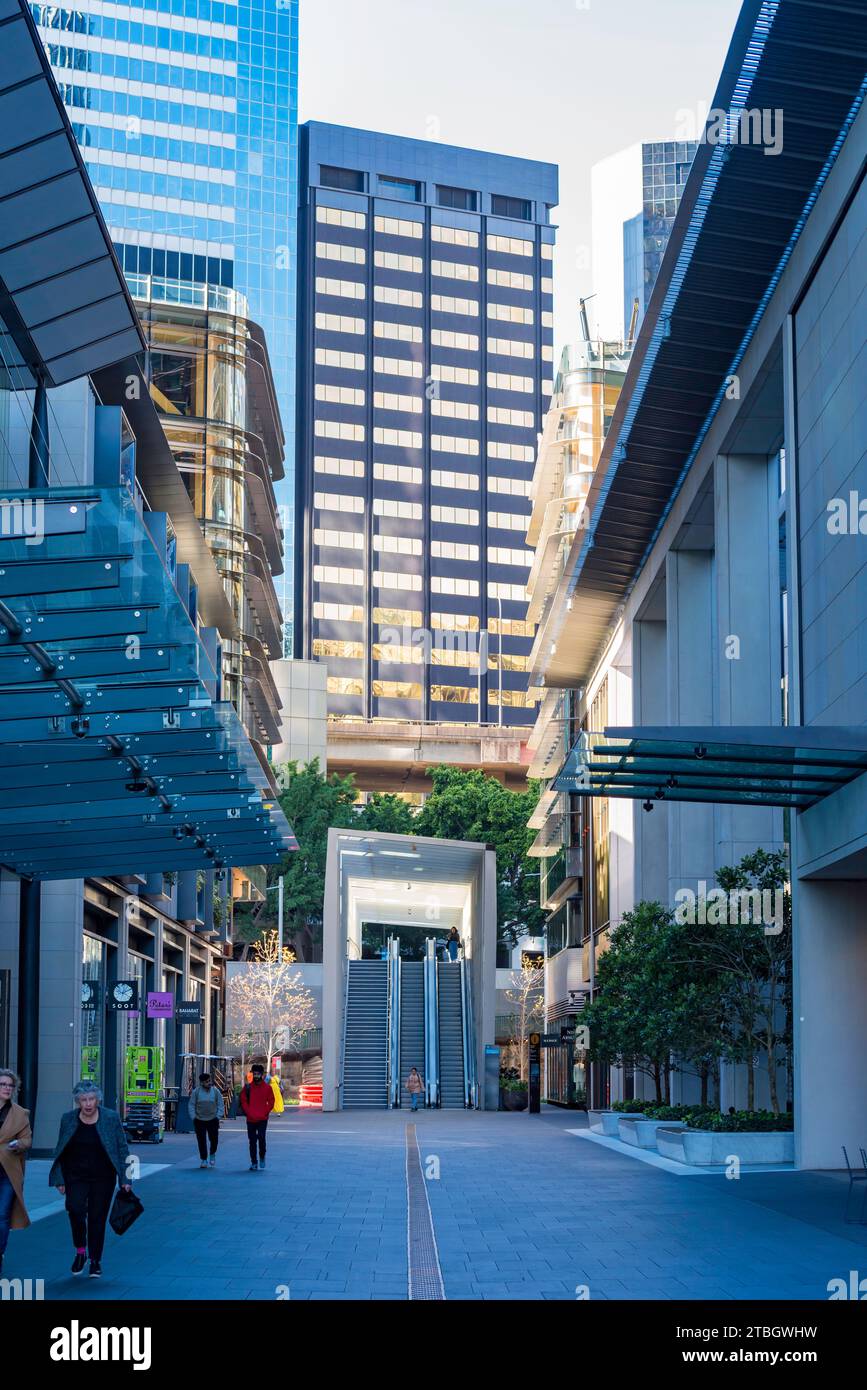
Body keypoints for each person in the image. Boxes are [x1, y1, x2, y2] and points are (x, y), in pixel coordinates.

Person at [49, 1080, 132, 1278]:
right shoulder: (68, 1119)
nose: (87, 1104)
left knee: (97, 1217)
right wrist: (59, 1178)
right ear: (77, 1101)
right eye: (83, 1100)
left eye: (91, 1099)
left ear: (98, 1100)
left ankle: (95, 1260)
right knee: (75, 1209)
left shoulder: (110, 1118)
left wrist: (126, 1178)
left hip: (103, 1177)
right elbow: (61, 1150)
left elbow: (122, 1148)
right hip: (75, 1175)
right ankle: (80, 1251)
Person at [0, 1069, 31, 1277]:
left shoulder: (20, 1113)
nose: (7, 1088)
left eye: (10, 1085)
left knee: (2, 1216)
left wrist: (17, 1144)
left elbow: (28, 1140)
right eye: (3, 1084)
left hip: (7, 1172)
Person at [239, 1063, 275, 1171]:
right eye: (254, 1074)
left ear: (262, 1075)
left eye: (258, 1074)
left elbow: (272, 1101)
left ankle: (262, 1156)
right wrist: (248, 1112)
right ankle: (254, 1162)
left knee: (262, 1138)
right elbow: (243, 1100)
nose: (256, 1076)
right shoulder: (248, 1087)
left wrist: (265, 1112)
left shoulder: (267, 1088)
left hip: (262, 1119)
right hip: (251, 1119)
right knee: (252, 1141)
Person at [188, 1071, 224, 1169]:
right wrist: (194, 1117)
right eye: (206, 1081)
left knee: (214, 1140)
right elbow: (191, 1105)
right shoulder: (196, 1092)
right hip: (199, 1120)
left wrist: (218, 1116)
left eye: (209, 1081)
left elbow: (220, 1104)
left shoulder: (215, 1091)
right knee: (201, 1140)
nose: (209, 1083)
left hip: (213, 1119)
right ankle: (204, 1159)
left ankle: (212, 1153)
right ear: (202, 1083)